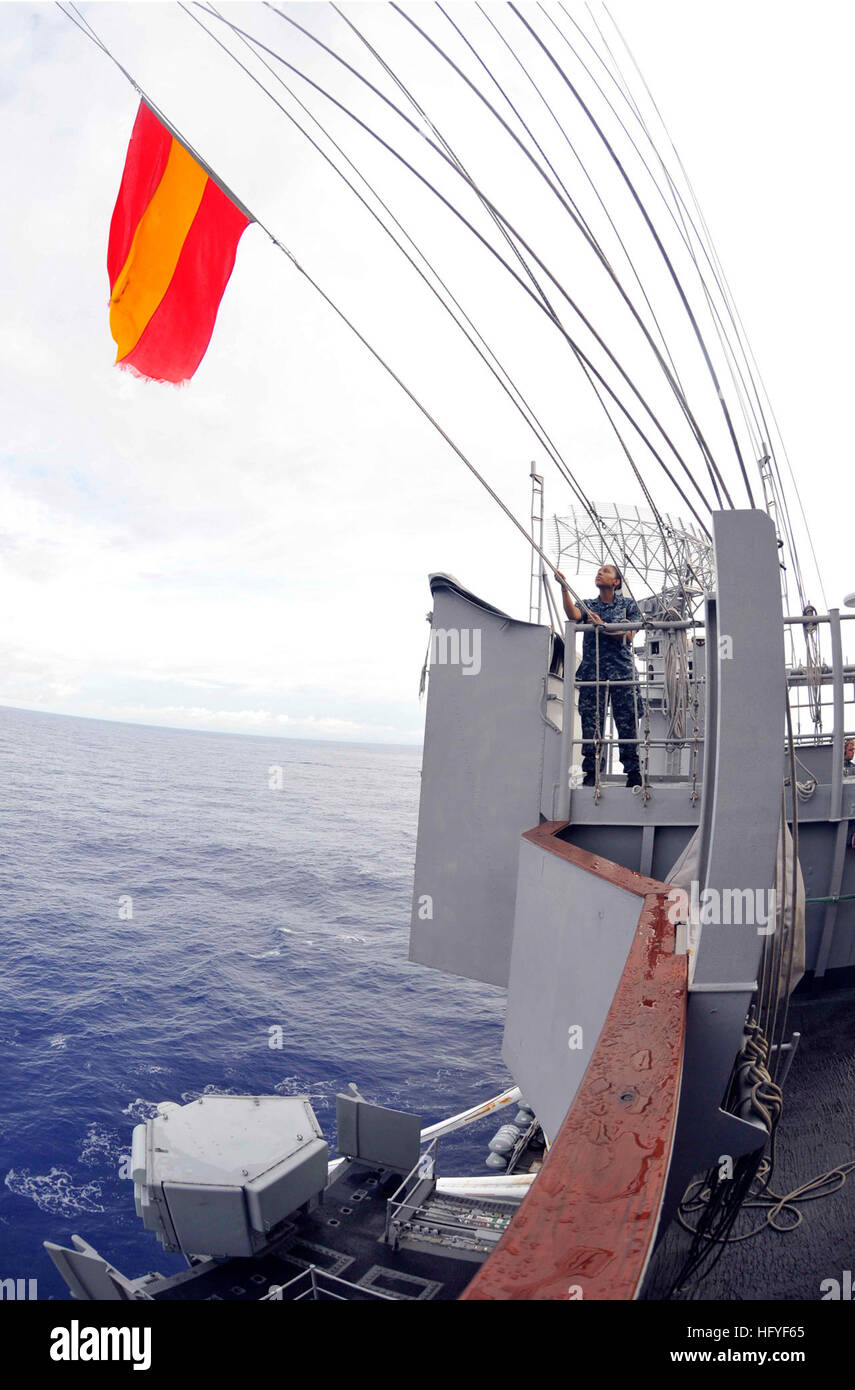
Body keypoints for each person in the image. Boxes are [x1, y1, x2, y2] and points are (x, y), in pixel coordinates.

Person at [554, 562, 644, 788]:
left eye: (606, 571)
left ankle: (633, 772)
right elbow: (573, 614)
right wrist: (564, 588)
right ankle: (592, 771)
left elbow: (629, 635)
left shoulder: (627, 606)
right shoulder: (589, 605)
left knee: (627, 723)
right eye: (598, 570)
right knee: (591, 723)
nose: (599, 573)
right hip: (592, 673)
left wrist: (603, 625)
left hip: (622, 673)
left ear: (616, 582)